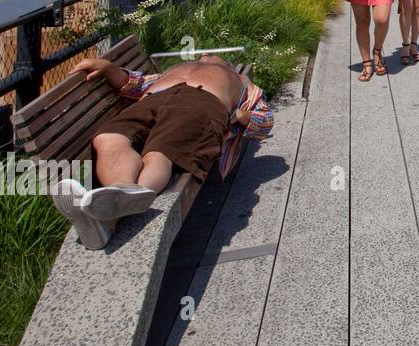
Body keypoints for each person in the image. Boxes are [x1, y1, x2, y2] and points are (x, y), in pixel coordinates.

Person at [48, 54, 272, 250]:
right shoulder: (171, 70)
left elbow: (266, 121)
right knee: (107, 137)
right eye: (204, 53)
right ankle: (121, 191)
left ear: (228, 64)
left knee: (163, 149)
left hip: (203, 103)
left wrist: (243, 117)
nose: (207, 54)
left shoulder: (243, 82)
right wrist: (108, 67)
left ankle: (113, 213)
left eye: (214, 55)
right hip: (150, 100)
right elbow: (132, 83)